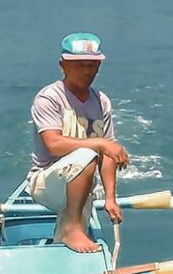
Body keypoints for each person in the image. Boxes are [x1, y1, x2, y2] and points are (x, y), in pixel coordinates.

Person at [27, 32, 130, 253]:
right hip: (46, 182)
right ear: (63, 65)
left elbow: (108, 156)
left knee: (90, 155)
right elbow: (53, 144)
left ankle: (67, 236)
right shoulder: (49, 98)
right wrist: (100, 144)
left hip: (82, 184)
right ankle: (72, 229)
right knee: (87, 153)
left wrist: (111, 198)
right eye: (80, 65)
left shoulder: (101, 101)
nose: (87, 71)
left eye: (92, 65)